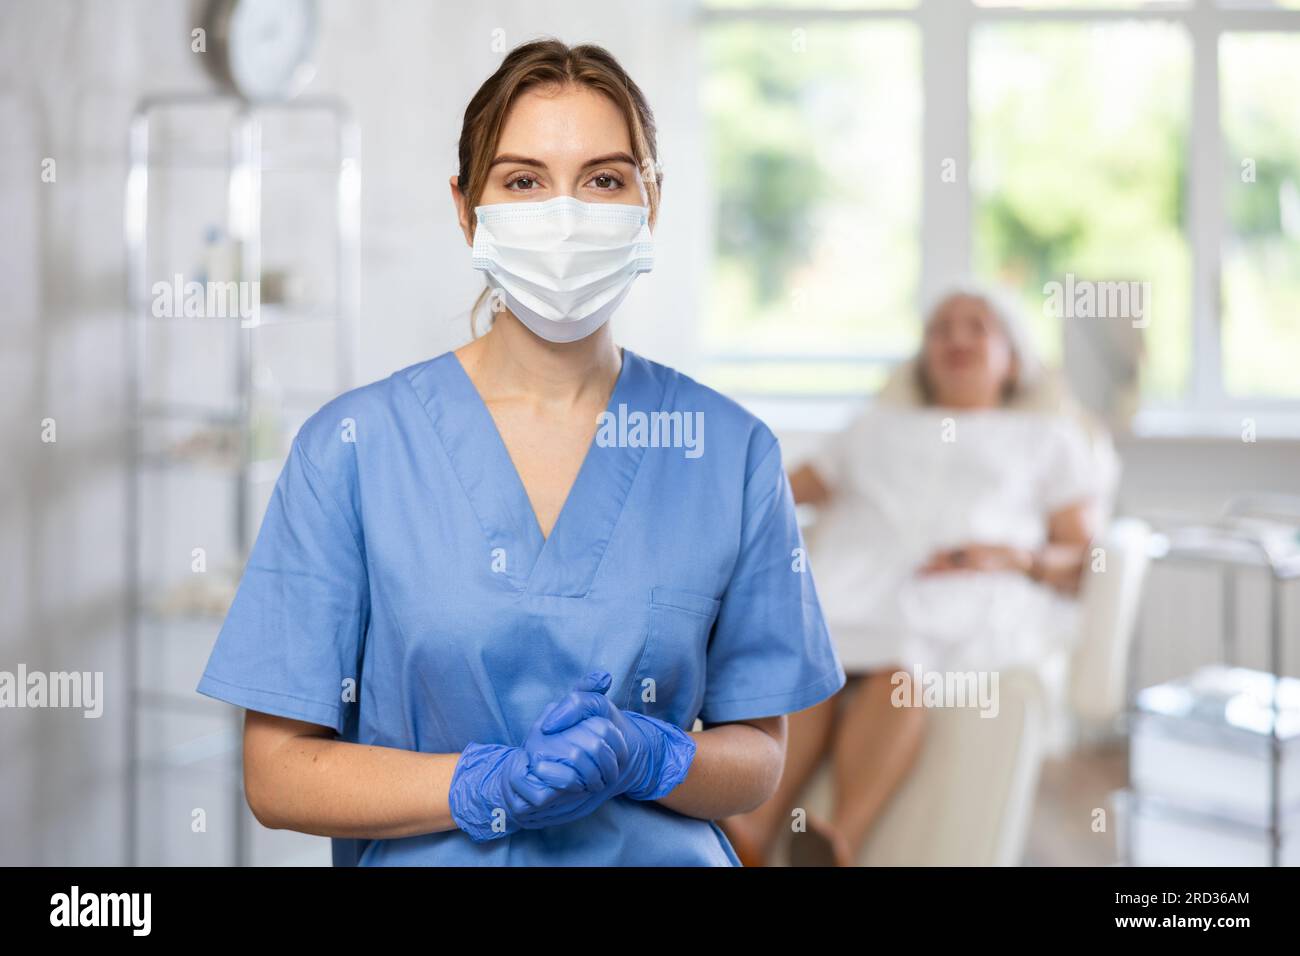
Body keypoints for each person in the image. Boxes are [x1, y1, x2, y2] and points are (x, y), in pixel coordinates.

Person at [195, 38, 845, 866]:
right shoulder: (353, 450)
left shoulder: (729, 452)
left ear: (651, 202)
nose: (565, 214)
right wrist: (479, 785)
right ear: (468, 210)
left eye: (604, 179)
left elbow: (759, 755)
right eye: (524, 180)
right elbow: (278, 773)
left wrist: (653, 756)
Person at [718, 283, 1101, 866]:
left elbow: (1083, 558)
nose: (956, 339)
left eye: (977, 326)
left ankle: (837, 838)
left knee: (901, 667)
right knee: (809, 664)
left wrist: (1014, 557)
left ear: (1014, 358)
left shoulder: (1048, 438)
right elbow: (772, 493)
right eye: (941, 329)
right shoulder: (875, 427)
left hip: (960, 586)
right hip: (854, 579)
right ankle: (751, 834)